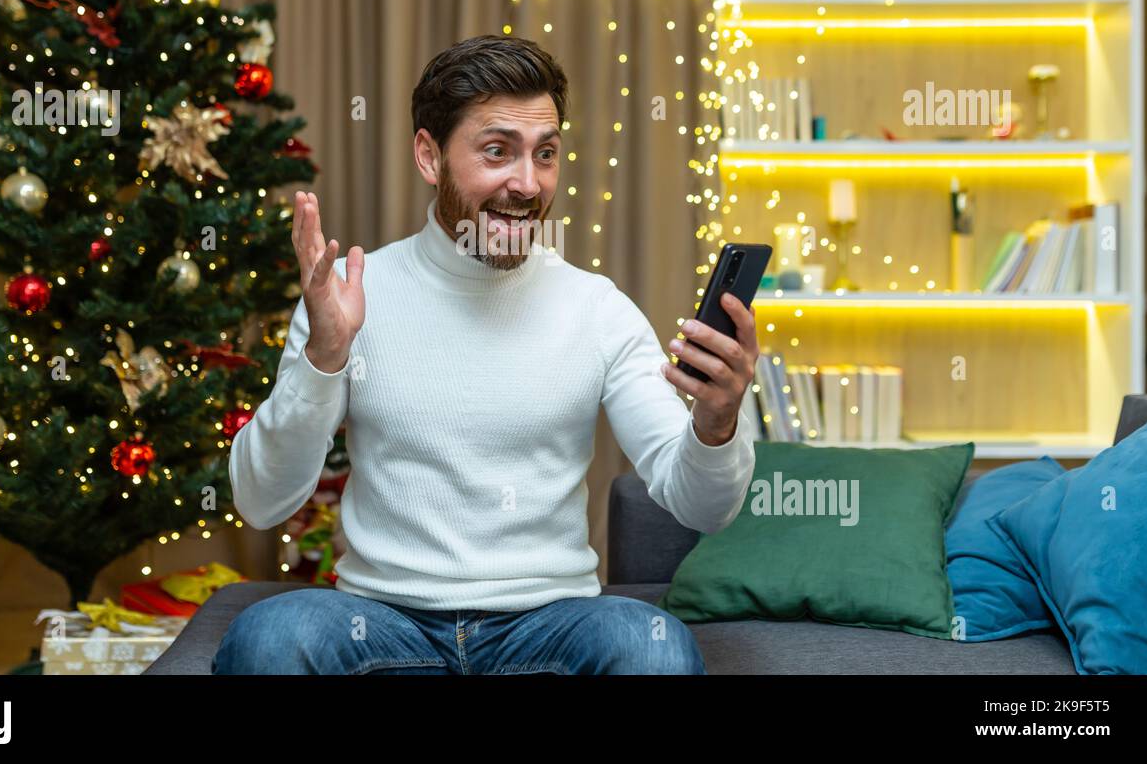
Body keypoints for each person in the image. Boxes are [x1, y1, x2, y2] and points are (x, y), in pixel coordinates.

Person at [213, 34, 758, 674]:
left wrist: (717, 423)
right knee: (270, 638)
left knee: (650, 645)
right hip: (381, 621)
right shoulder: (351, 299)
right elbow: (260, 500)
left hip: (550, 622)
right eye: (497, 151)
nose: (526, 184)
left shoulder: (597, 308)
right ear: (429, 155)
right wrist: (323, 360)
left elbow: (700, 506)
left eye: (545, 154)